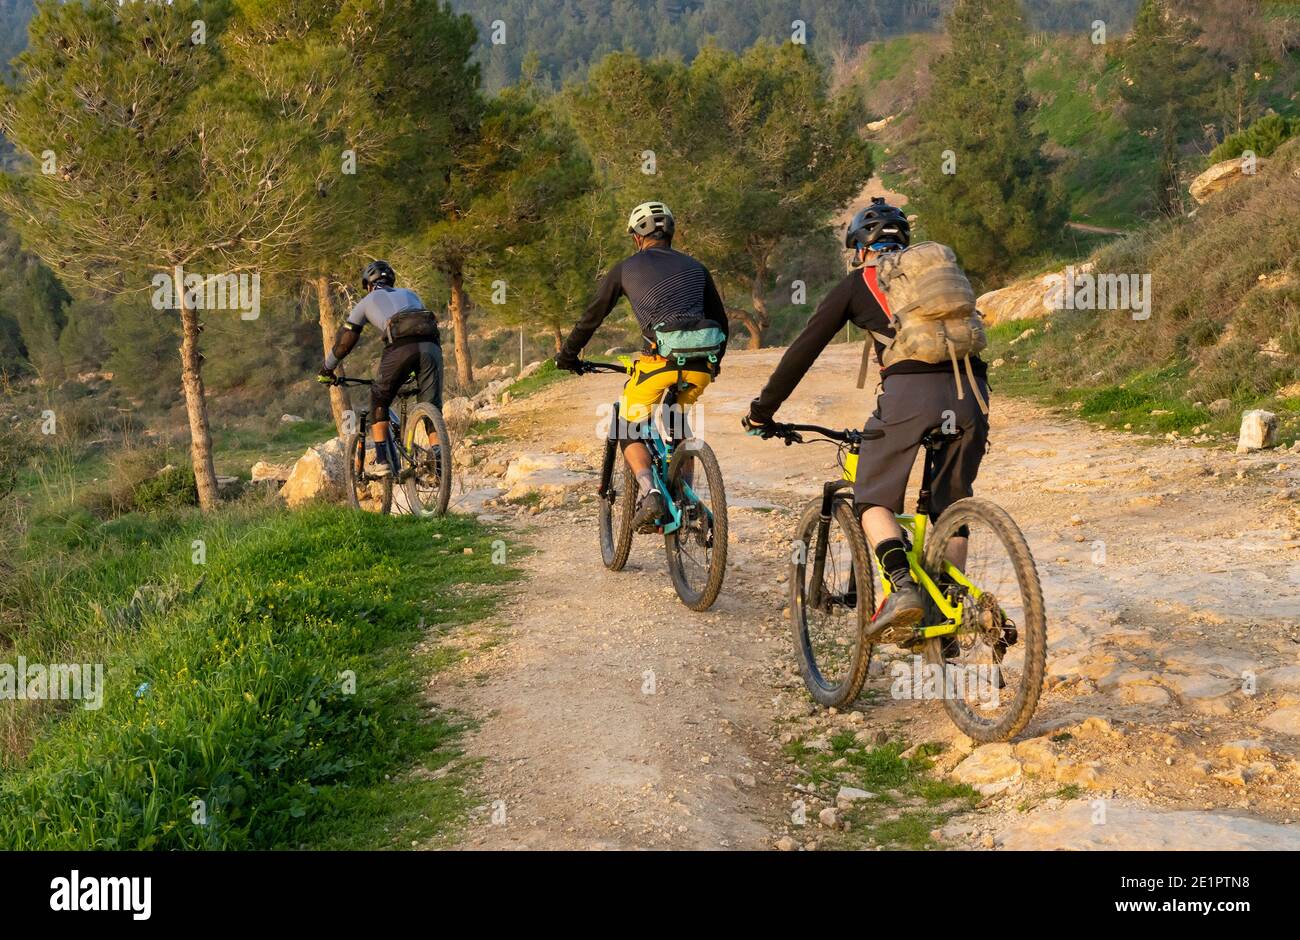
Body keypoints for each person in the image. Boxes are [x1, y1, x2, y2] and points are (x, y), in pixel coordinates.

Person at [743, 199, 990, 643]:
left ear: (861, 249)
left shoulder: (860, 282)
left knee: (872, 497)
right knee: (950, 507)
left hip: (912, 396)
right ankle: (952, 608)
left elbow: (803, 350)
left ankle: (902, 590)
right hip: (972, 393)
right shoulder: (935, 279)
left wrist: (764, 410)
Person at [555, 202, 729, 529]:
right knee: (675, 418)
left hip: (658, 362)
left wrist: (567, 356)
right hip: (699, 366)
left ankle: (650, 491)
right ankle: (685, 497)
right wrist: (715, 363)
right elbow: (722, 322)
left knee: (624, 421)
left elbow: (591, 318)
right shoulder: (697, 267)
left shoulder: (626, 268)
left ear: (638, 238)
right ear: (671, 235)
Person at [317, 260, 443, 477]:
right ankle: (440, 462)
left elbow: (345, 342)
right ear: (391, 281)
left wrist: (327, 369)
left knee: (379, 398)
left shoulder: (366, 301)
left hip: (401, 348)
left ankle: (382, 460)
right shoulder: (411, 294)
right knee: (431, 406)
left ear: (368, 285)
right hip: (432, 348)